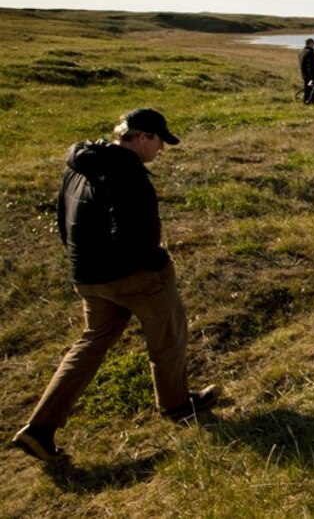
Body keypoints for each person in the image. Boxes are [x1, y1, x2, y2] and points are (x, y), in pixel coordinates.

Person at [10, 109, 222, 462]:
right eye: (158, 141)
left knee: (90, 345)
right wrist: (156, 264)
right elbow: (135, 234)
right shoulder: (128, 174)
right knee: (169, 338)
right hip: (135, 278)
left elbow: (63, 220)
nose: (161, 150)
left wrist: (84, 264)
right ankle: (176, 406)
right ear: (140, 137)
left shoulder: (79, 165)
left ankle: (40, 428)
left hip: (89, 277)